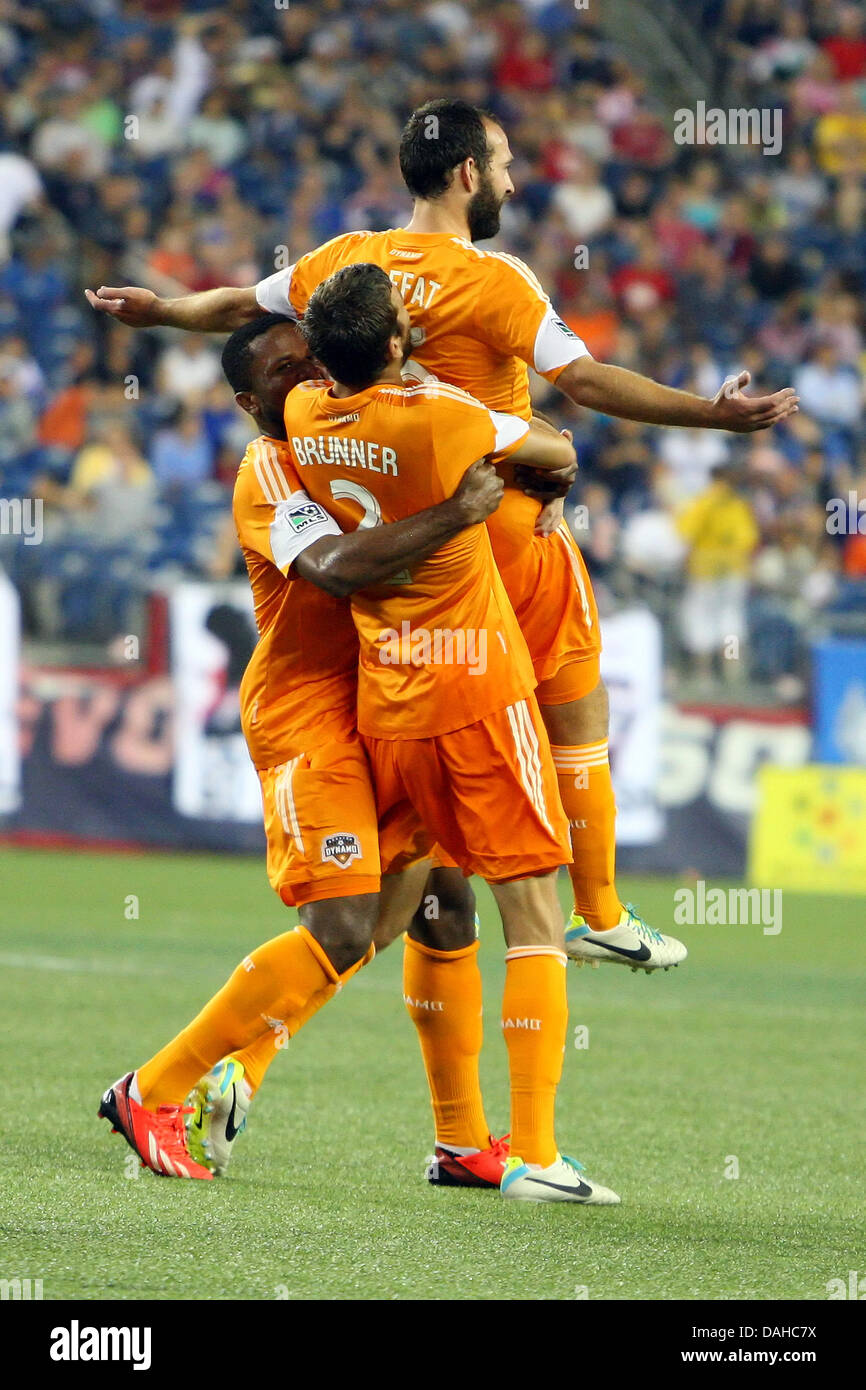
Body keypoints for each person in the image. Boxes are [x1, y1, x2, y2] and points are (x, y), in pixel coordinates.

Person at [88, 99, 754, 967]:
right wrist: (712, 415)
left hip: (393, 565)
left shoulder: (343, 262)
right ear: (468, 175)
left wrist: (158, 312)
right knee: (575, 711)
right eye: (506, 163)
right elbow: (586, 382)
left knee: (422, 881)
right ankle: (598, 909)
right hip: (499, 524)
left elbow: (238, 310)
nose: (514, 179)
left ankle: (250, 1050)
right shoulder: (496, 279)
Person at [98, 314, 516, 1185]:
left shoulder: (350, 440)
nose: (307, 376)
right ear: (249, 402)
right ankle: (153, 1087)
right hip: (306, 714)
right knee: (338, 922)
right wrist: (454, 514)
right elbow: (329, 567)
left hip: (385, 707)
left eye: (313, 358)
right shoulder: (271, 467)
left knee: (444, 899)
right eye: (284, 372)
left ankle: (462, 1142)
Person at [285, 262, 619, 1203]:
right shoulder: (445, 416)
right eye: (404, 325)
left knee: (407, 912)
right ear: (396, 346)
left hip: (387, 702)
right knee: (534, 914)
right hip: (477, 687)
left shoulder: (308, 418)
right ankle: (541, 1158)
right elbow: (553, 447)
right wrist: (448, 402)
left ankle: (247, 1057)